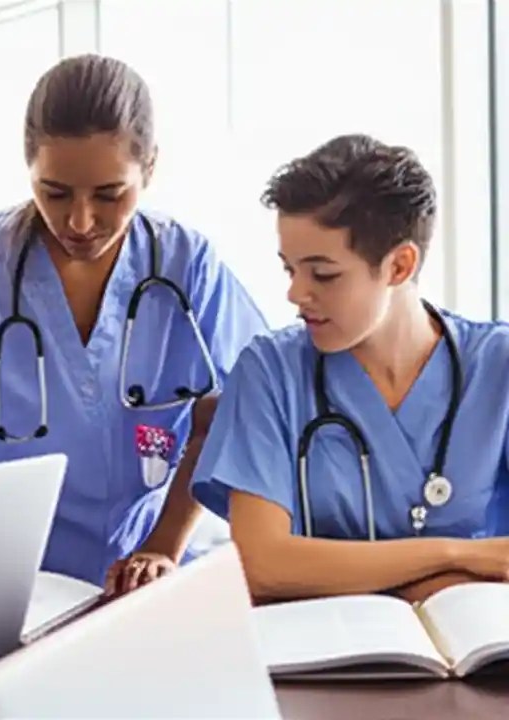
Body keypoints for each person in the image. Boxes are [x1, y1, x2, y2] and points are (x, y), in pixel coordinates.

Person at [0, 54, 269, 593]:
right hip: (5, 571)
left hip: (148, 566)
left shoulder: (188, 264)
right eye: (55, 192)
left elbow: (218, 421)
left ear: (150, 168)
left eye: (110, 194)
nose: (81, 222)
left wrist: (162, 547)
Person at [191, 134, 509, 604]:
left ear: (399, 266)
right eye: (289, 269)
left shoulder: (497, 367)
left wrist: (339, 572)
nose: (296, 293)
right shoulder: (270, 372)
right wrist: (454, 556)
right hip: (326, 661)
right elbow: (261, 566)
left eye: (323, 274)